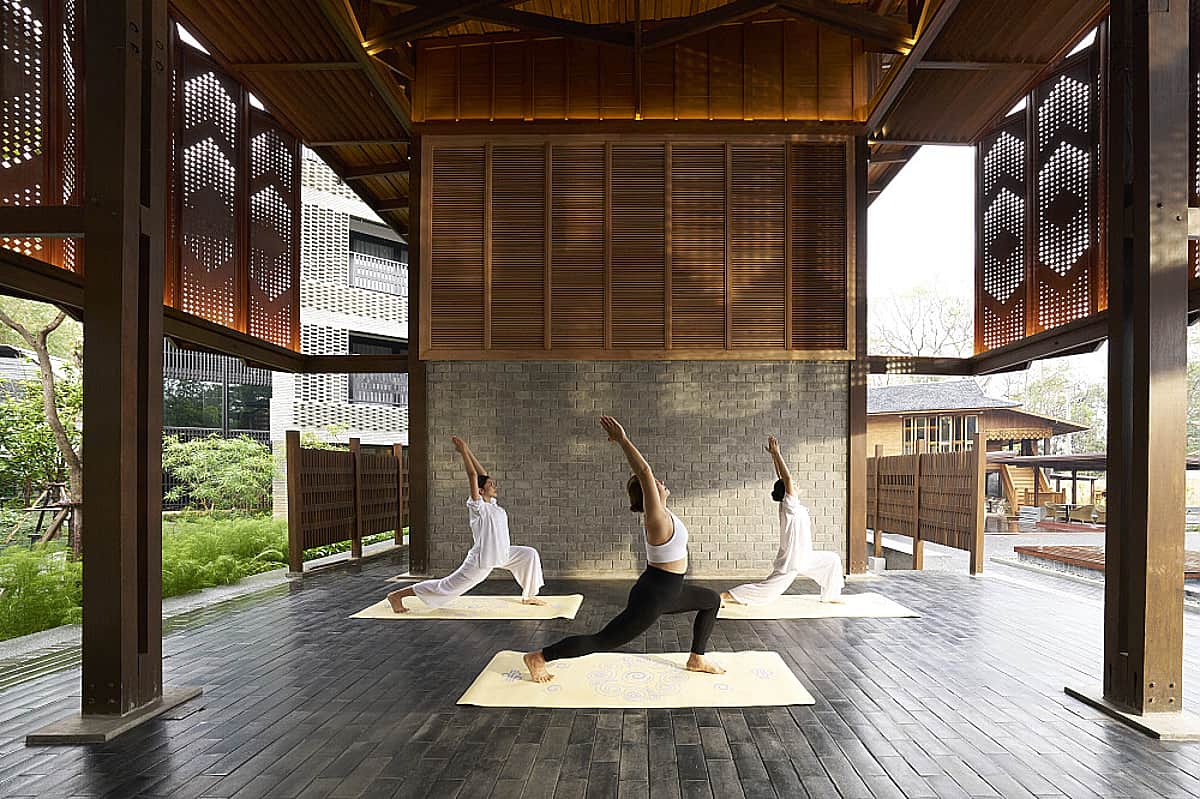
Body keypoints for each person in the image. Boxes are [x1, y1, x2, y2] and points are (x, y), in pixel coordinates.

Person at [523, 416, 724, 683]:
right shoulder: (656, 519)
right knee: (602, 641)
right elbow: (644, 471)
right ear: (648, 494)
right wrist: (622, 440)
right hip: (654, 595)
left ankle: (696, 658)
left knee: (712, 600)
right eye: (655, 484)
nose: (660, 482)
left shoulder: (665, 513)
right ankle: (539, 657)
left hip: (670, 590)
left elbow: (647, 477)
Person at [386, 436, 545, 613]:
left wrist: (468, 450)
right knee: (446, 586)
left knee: (529, 554)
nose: (494, 486)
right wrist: (463, 452)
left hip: (502, 553)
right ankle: (397, 595)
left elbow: (482, 474)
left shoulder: (492, 505)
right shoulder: (478, 507)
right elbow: (473, 476)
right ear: (480, 491)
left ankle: (528, 596)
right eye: (491, 485)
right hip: (482, 559)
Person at [721, 436, 845, 607]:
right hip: (793, 559)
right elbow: (786, 479)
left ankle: (830, 595)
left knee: (832, 560)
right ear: (788, 490)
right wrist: (778, 454)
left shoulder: (792, 504)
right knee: (766, 593)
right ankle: (725, 596)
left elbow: (782, 478)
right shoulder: (789, 504)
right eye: (793, 484)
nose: (796, 484)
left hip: (805, 556)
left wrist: (774, 457)